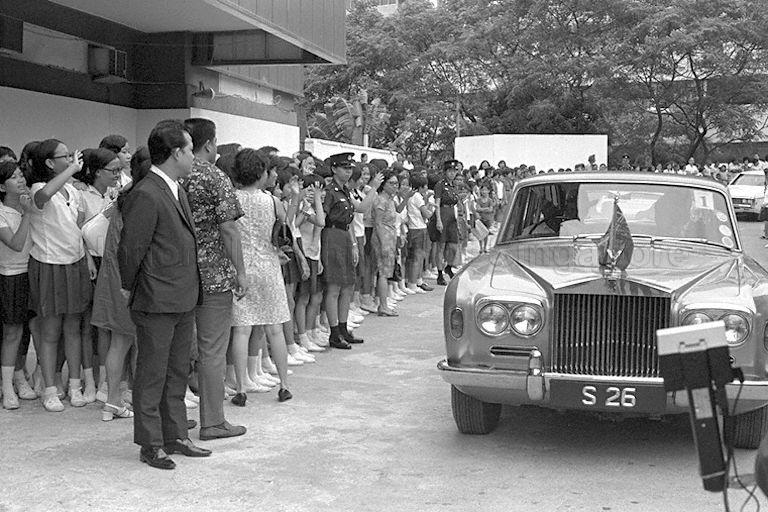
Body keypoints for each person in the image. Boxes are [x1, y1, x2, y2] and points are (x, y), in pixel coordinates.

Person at [118, 120, 209, 470]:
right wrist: (133, 286)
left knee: (177, 371)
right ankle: (151, 443)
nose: (193, 157)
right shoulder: (147, 192)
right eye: (189, 150)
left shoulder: (175, 189)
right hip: (156, 298)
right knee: (152, 373)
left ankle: (176, 435)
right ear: (175, 153)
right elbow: (131, 250)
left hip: (182, 295)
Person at [180, 118, 247, 442]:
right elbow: (229, 228)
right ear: (208, 144)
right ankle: (213, 421)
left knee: (176, 348)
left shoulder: (170, 174)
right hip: (213, 275)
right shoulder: (213, 176)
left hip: (176, 273)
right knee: (212, 351)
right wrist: (241, 272)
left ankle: (176, 418)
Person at [27, 139, 94, 412]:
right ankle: (49, 388)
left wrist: (87, 258)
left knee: (73, 329)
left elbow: (77, 230)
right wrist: (72, 170)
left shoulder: (72, 191)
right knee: (51, 330)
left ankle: (75, 385)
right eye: (64, 156)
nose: (70, 159)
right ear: (49, 163)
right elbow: (42, 198)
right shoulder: (38, 188)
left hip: (74, 262)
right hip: (48, 263)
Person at [92, 147, 151, 422]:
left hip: (113, 275)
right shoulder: (145, 197)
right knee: (139, 342)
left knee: (119, 342)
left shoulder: (125, 196)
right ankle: (137, 400)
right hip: (131, 279)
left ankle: (112, 401)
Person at [229, 148, 293, 404]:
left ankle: (241, 388)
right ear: (262, 173)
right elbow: (281, 231)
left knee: (242, 330)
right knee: (274, 328)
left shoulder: (231, 199)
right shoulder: (273, 201)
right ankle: (285, 384)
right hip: (268, 264)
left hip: (240, 265)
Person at [0, 161, 34, 409]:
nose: (20, 180)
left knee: (27, 332)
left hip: (32, 272)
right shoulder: (2, 213)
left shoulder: (28, 205)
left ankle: (21, 375)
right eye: (13, 177)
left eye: (21, 175)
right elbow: (16, 244)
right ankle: (7, 385)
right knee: (12, 332)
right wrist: (28, 214)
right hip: (10, 275)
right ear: (2, 186)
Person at [322, 153, 363, 349]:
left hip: (345, 236)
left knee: (348, 285)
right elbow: (322, 219)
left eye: (350, 168)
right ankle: (334, 332)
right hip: (332, 236)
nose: (349, 171)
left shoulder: (345, 191)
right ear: (334, 169)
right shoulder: (329, 191)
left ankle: (343, 327)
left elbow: (353, 218)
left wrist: (354, 244)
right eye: (345, 168)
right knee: (334, 286)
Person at [429, 160, 461, 286]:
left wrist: (457, 222)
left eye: (454, 171)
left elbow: (456, 205)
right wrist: (438, 220)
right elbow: (437, 203)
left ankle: (449, 266)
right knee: (440, 246)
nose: (452, 174)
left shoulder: (454, 186)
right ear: (445, 172)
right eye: (450, 171)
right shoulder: (440, 185)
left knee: (453, 245)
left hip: (452, 215)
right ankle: (440, 273)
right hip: (442, 213)